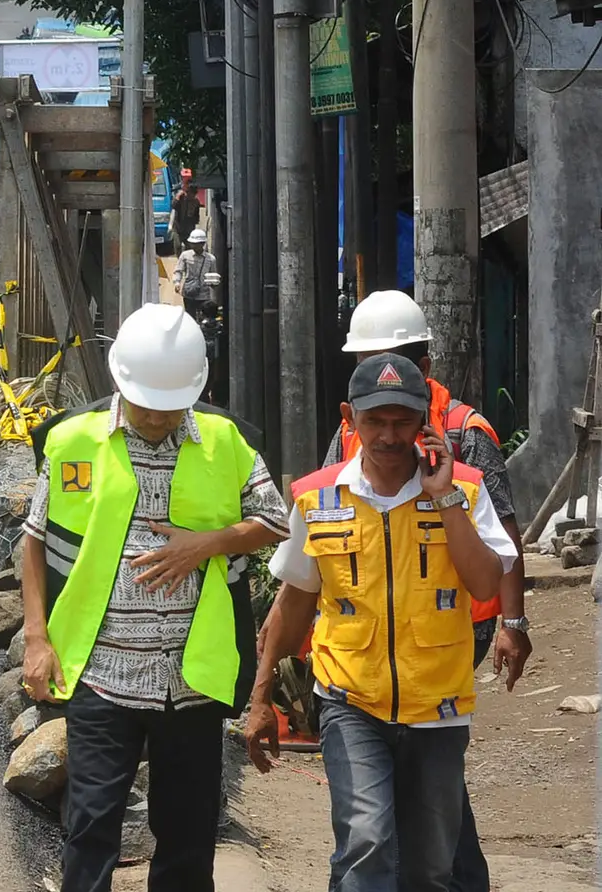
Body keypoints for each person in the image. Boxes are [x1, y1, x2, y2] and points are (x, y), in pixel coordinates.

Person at [17, 305, 290, 892]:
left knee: (188, 839)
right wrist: (37, 639)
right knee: (90, 830)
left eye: (170, 409)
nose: (157, 418)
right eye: (146, 406)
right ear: (120, 383)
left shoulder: (225, 442)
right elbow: (33, 542)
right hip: (102, 675)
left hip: (191, 681)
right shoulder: (72, 442)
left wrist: (207, 544)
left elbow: (275, 519)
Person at [245, 354, 516, 892]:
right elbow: (295, 601)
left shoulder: (465, 488)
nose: (388, 435)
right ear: (350, 417)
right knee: (366, 841)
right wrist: (259, 699)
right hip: (350, 701)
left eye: (402, 421)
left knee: (432, 867)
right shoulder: (317, 497)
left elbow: (486, 584)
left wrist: (444, 501)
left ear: (425, 421)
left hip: (439, 708)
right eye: (375, 421)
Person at [302, 290, 531, 892]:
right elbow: (318, 530)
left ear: (423, 368)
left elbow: (504, 538)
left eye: (396, 359)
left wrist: (514, 622)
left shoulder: (465, 434)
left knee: (431, 816)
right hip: (358, 664)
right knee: (368, 831)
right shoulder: (352, 433)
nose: (387, 430)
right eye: (368, 365)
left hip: (449, 636)